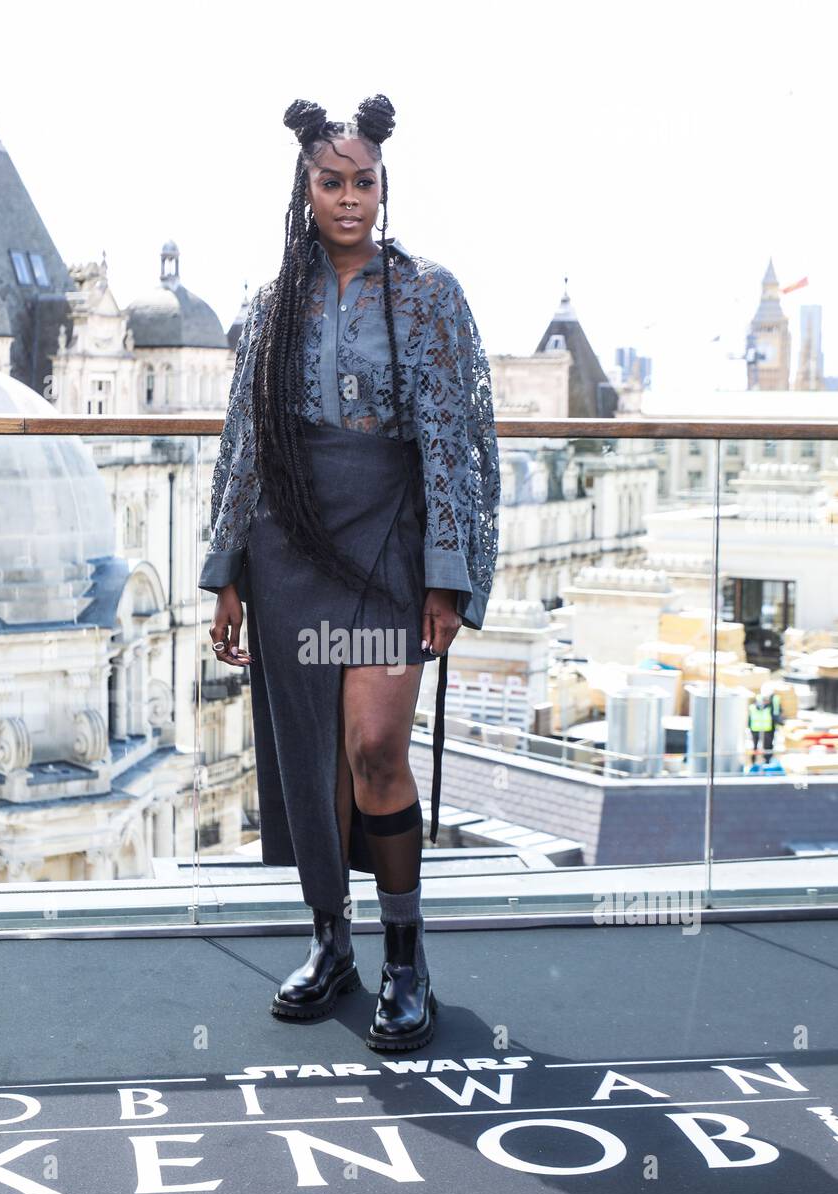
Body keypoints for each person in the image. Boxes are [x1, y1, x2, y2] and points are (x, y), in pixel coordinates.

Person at [198, 94, 500, 1050]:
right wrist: (227, 569)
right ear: (304, 188)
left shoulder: (429, 293)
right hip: (288, 550)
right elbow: (245, 440)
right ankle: (332, 945)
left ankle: (406, 957)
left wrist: (448, 574)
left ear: (383, 185)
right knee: (312, 762)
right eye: (330, 183)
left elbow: (458, 438)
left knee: (374, 747)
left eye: (362, 182)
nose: (348, 198)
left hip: (384, 544)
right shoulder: (266, 302)